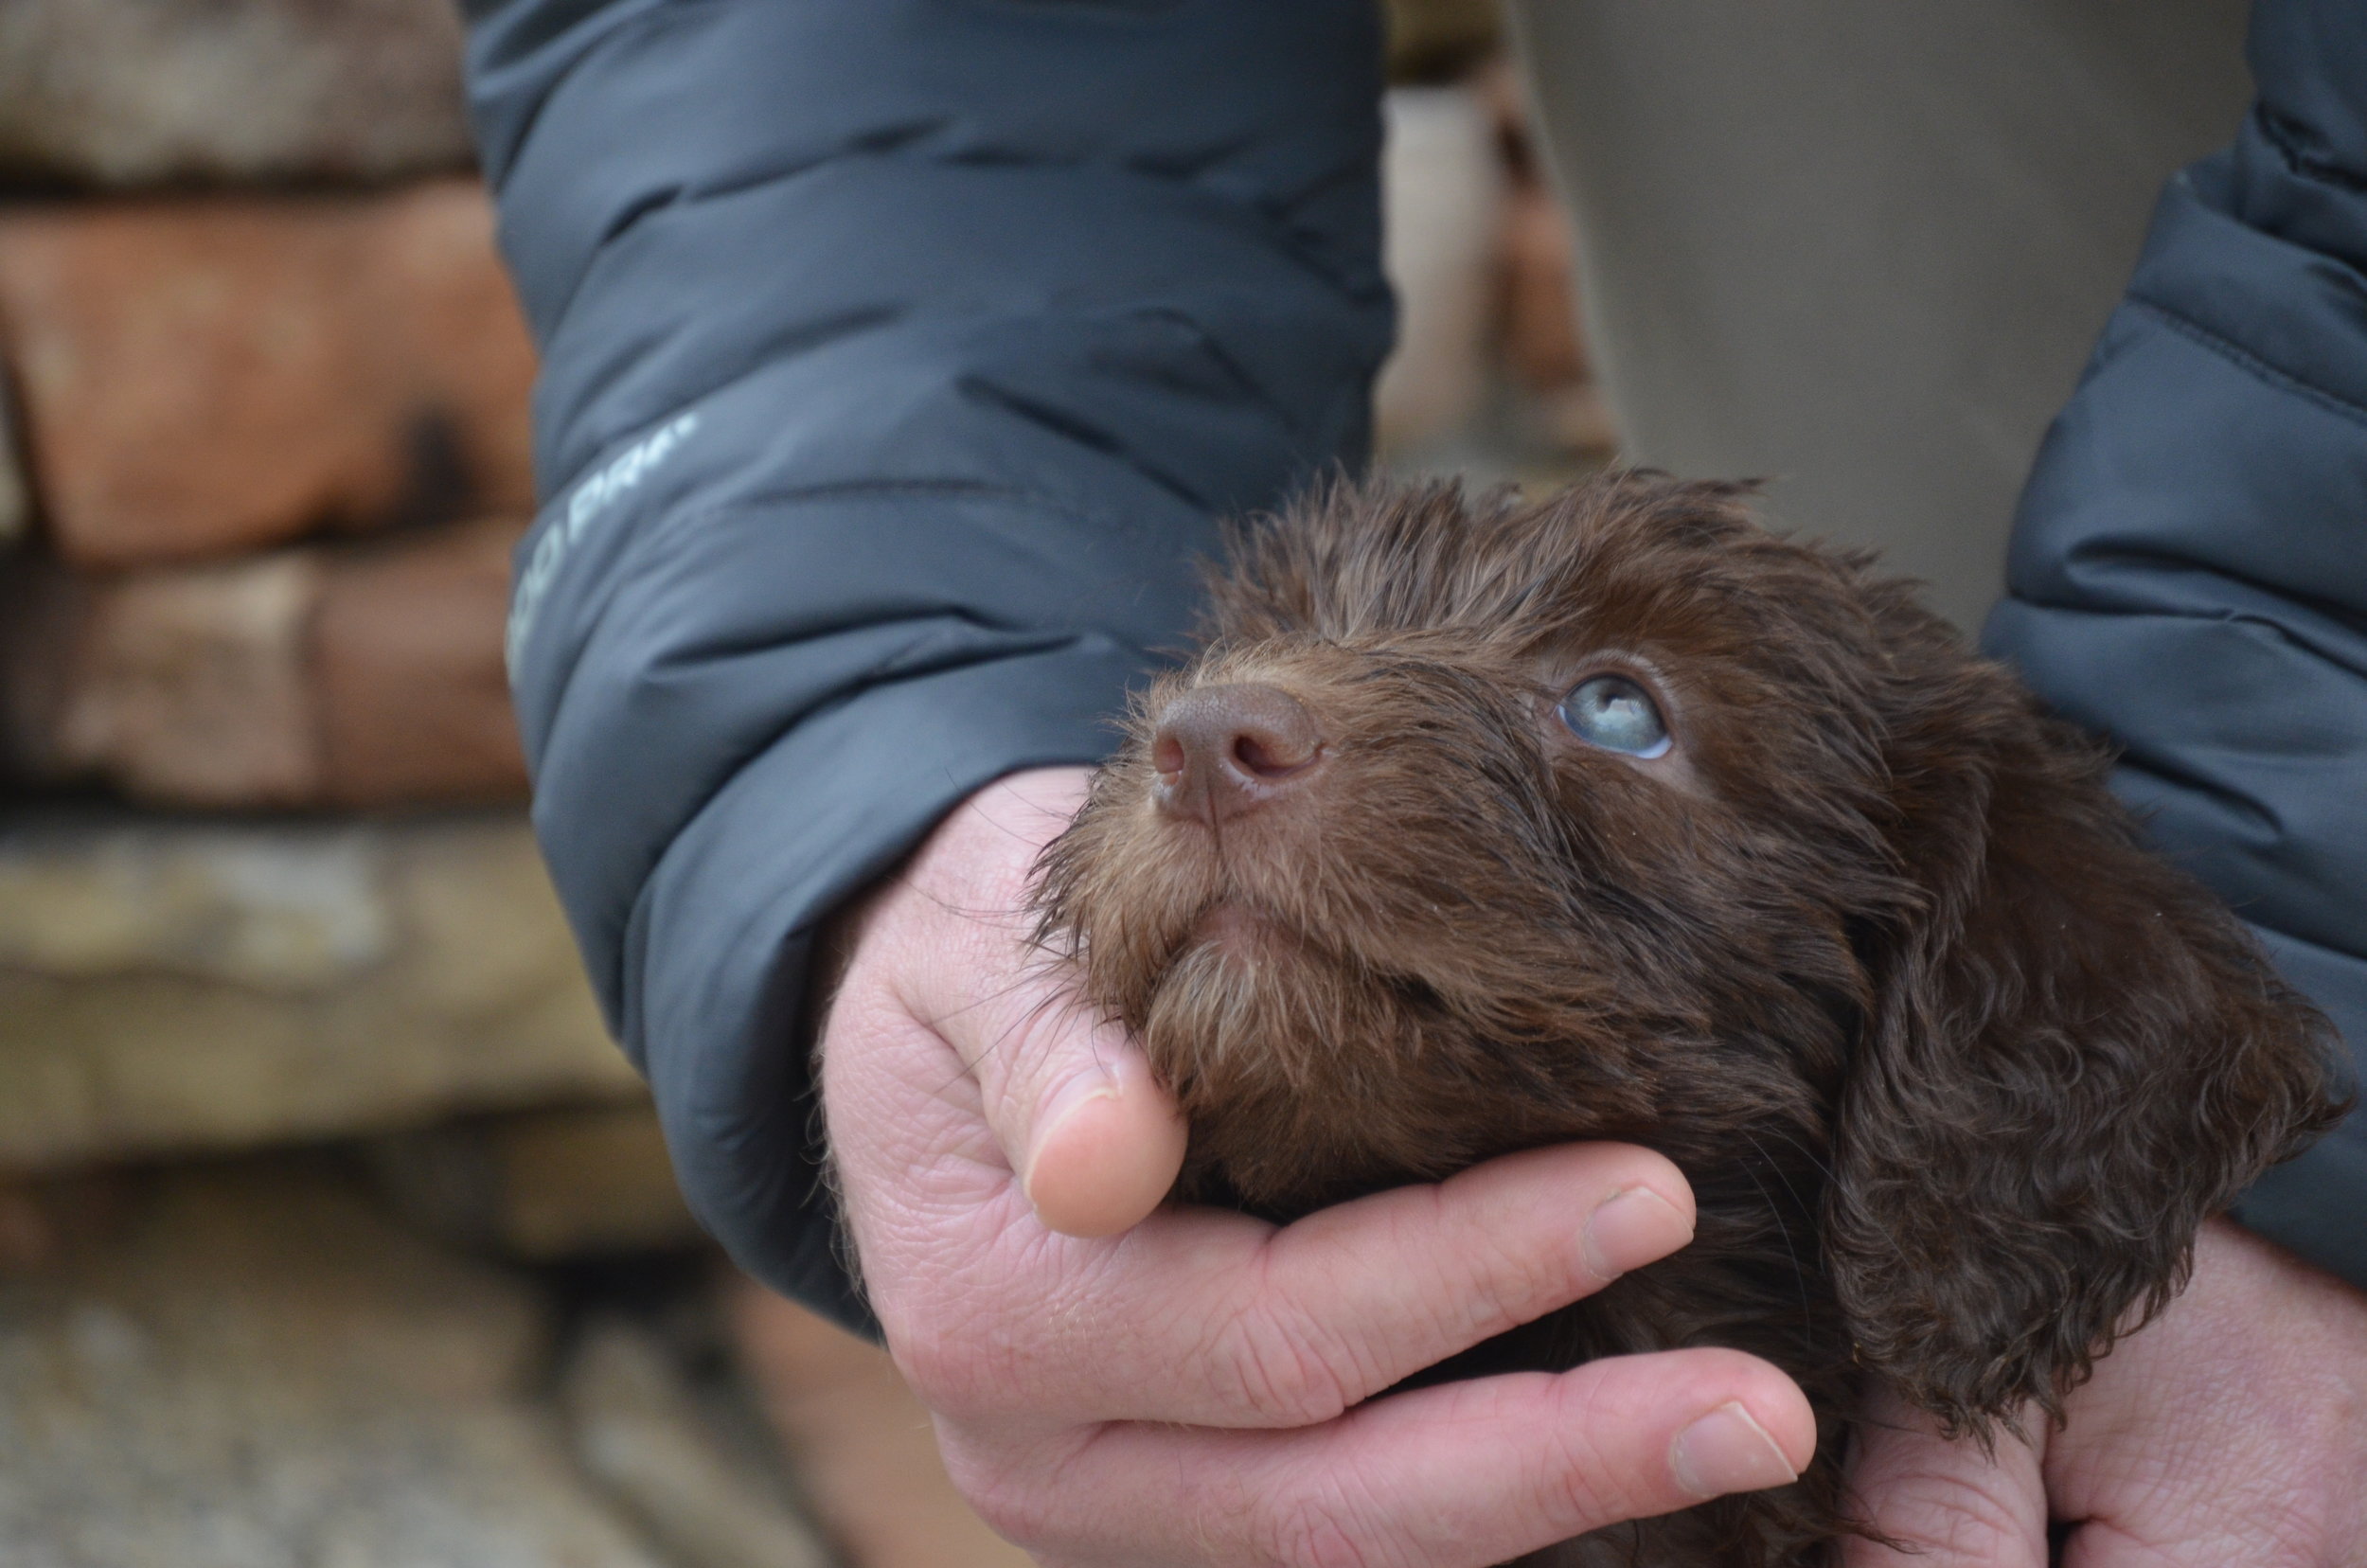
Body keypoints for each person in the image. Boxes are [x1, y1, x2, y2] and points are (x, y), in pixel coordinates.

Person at [458, 1, 2367, 1561]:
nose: (1215, 728)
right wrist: (899, 732)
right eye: (1204, 670)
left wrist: (2299, 1145)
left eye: (1614, 712)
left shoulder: (2027, 984)